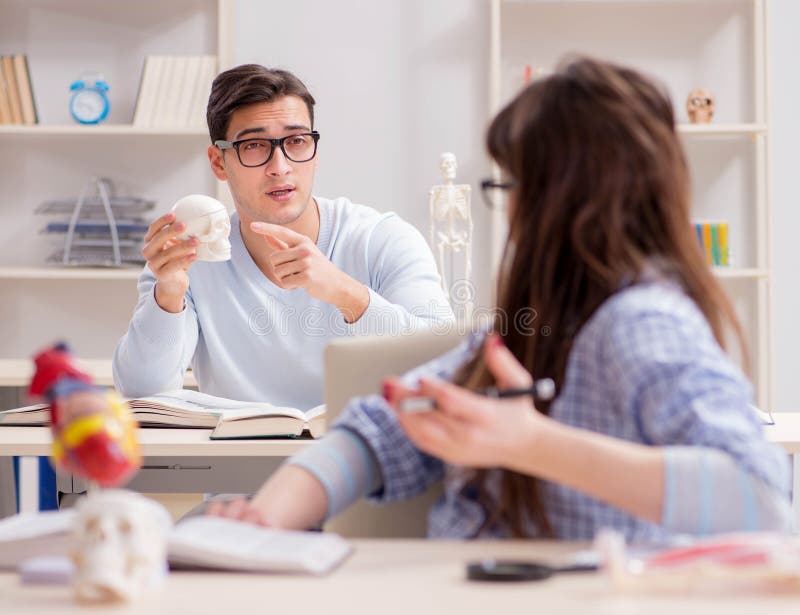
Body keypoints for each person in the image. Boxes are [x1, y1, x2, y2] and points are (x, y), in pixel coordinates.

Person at [209, 57, 792, 540]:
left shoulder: (643, 323)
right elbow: (379, 432)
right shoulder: (539, 320)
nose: (508, 208)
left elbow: (761, 495)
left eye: (510, 183)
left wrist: (535, 444)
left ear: (568, 195)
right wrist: (266, 520)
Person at [113, 65, 453, 408]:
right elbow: (142, 392)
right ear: (218, 162)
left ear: (314, 151)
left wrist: (347, 294)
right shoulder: (192, 256)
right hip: (236, 458)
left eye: (296, 141)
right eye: (255, 145)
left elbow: (448, 368)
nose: (280, 166)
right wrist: (167, 297)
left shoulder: (382, 239)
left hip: (366, 455)